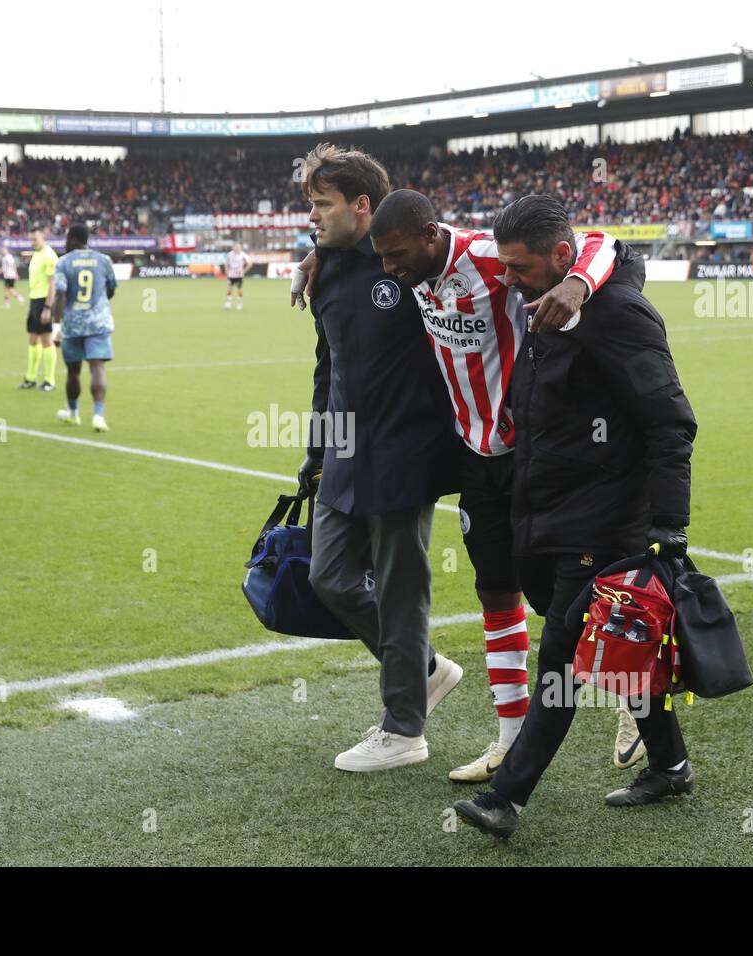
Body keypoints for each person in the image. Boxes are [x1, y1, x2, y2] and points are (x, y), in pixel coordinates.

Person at [365, 189, 644, 781]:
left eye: (395, 254)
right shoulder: (408, 267)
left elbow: (603, 243)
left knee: (577, 594)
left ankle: (635, 702)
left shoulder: (489, 256)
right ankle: (511, 740)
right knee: (496, 590)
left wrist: (576, 287)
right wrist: (314, 254)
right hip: (475, 456)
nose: (388, 267)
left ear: (429, 233)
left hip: (534, 456)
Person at [453, 195, 698, 840]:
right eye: (503, 268)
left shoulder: (618, 314)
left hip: (604, 524)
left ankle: (506, 799)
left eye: (520, 268)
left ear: (564, 257)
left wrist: (669, 532)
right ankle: (670, 764)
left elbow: (671, 422)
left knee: (561, 658)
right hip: (546, 514)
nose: (507, 281)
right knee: (616, 649)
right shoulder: (545, 307)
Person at [297, 144, 464, 773]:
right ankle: (423, 668)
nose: (312, 217)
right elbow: (327, 364)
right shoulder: (326, 269)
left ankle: (403, 731)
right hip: (343, 448)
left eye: (322, 205)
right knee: (329, 576)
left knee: (400, 589)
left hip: (404, 448)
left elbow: (461, 251)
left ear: (362, 205)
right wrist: (317, 445)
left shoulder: (412, 259)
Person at [50, 224, 116, 432]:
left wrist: (56, 326)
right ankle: (98, 416)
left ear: (73, 239)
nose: (64, 243)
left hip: (73, 324)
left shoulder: (64, 263)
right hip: (98, 322)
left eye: (66, 239)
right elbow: (112, 288)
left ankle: (73, 414)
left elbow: (60, 294)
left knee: (73, 370)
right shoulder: (103, 260)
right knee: (97, 367)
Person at [21, 227, 59, 391]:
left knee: (46, 340)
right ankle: (30, 378)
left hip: (44, 301)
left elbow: (52, 284)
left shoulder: (49, 256)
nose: (32, 242)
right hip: (34, 300)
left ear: (44, 237)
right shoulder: (36, 254)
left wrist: (48, 307)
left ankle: (50, 380)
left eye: (35, 239)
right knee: (32, 339)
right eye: (30, 239)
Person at [223, 243, 251, 310]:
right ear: (233, 248)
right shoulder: (230, 254)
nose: (237, 249)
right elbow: (226, 263)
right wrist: (226, 270)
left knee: (239, 289)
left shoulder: (243, 255)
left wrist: (244, 271)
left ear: (240, 248)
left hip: (239, 275)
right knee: (229, 288)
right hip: (231, 275)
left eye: (238, 247)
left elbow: (250, 263)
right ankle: (228, 303)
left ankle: (239, 304)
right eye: (235, 247)